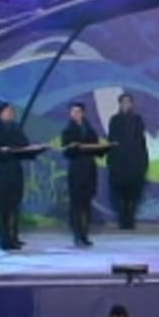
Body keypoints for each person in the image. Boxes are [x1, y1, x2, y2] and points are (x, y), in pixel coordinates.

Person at [0, 100, 30, 250]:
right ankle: (4, 239)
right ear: (0, 113)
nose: (11, 113)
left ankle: (14, 236)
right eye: (8, 110)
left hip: (16, 171)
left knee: (15, 206)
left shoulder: (16, 127)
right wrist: (6, 150)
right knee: (3, 207)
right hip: (1, 172)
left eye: (12, 110)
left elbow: (24, 144)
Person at [60, 102, 100, 247]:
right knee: (76, 205)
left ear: (83, 113)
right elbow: (65, 150)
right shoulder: (67, 131)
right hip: (76, 169)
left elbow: (97, 147)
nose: (76, 114)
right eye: (73, 112)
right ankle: (77, 234)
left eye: (78, 111)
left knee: (86, 204)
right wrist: (73, 147)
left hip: (89, 169)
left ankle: (85, 234)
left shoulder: (90, 130)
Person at [107, 93, 149, 229]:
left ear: (132, 104)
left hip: (135, 161)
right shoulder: (114, 120)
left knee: (134, 193)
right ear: (119, 104)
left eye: (128, 102)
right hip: (119, 161)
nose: (126, 104)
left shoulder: (137, 120)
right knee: (119, 193)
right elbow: (111, 141)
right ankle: (122, 219)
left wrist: (143, 160)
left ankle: (130, 219)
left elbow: (141, 141)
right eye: (123, 102)